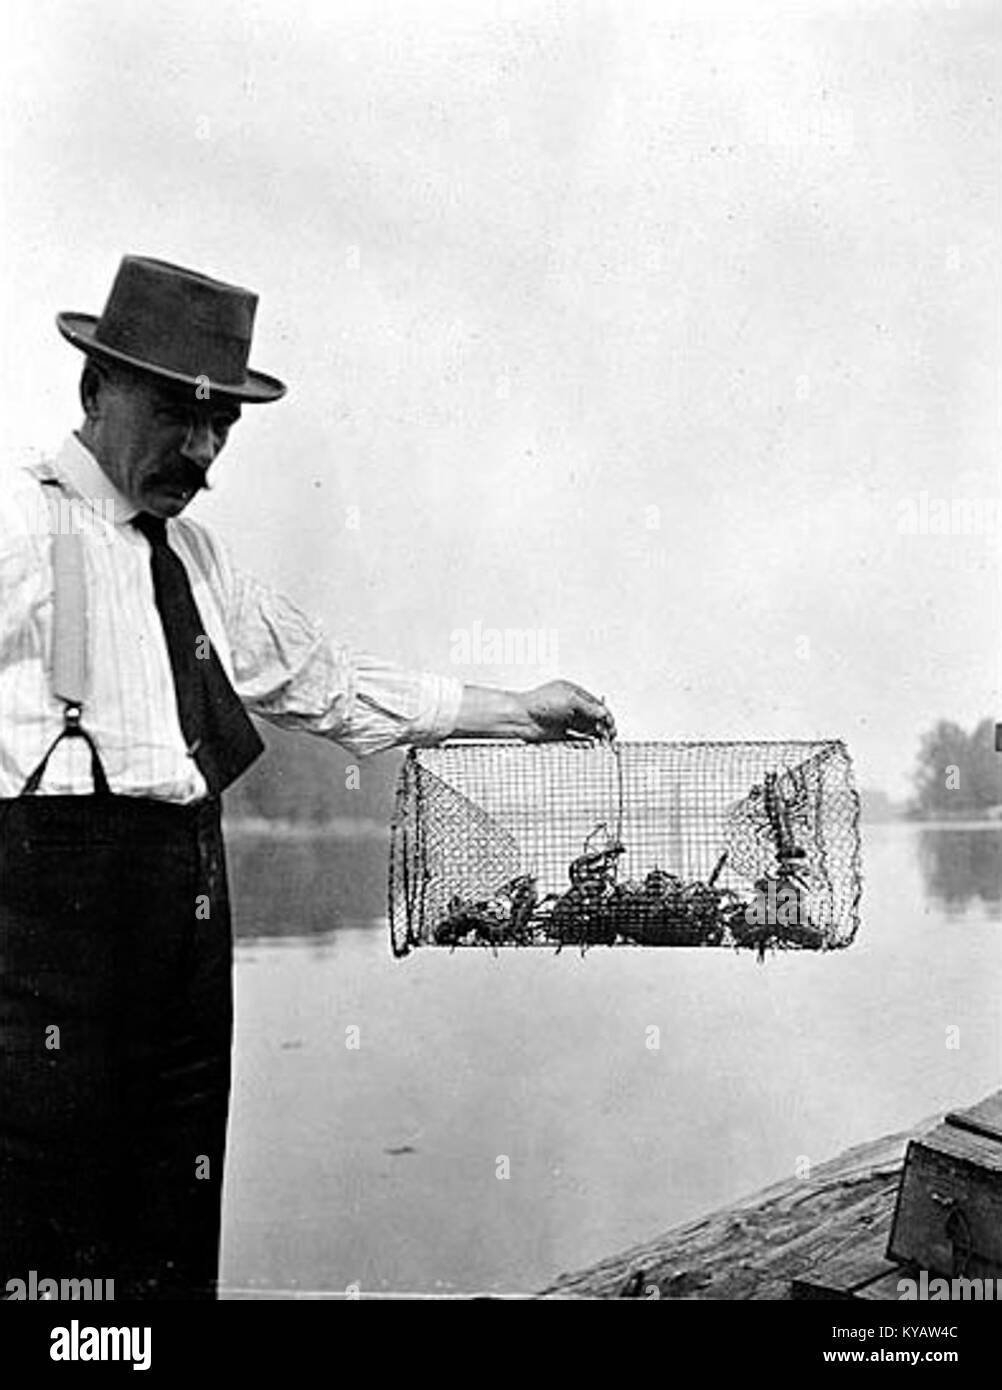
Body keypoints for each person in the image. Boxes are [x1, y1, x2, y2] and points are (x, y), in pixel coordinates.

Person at [0, 255, 615, 1301]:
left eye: (221, 424)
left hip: (188, 924)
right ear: (96, 390)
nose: (202, 449)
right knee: (48, 1245)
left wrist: (515, 709)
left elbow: (328, 682)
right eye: (180, 412)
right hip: (47, 945)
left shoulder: (198, 560)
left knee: (172, 1218)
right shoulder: (17, 521)